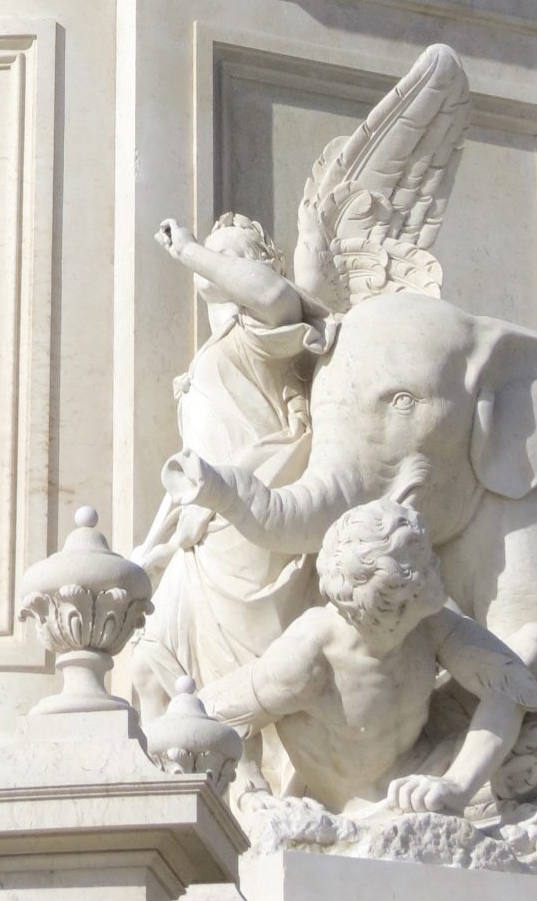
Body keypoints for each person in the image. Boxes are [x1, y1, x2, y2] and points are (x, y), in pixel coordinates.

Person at [198, 487, 537, 849]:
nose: (440, 570)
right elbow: (211, 720)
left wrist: (460, 783)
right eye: (427, 569)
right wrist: (250, 793)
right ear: (395, 597)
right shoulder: (306, 660)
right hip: (381, 804)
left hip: (441, 771)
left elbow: (514, 678)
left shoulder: (424, 622)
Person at [131, 210, 330, 775]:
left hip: (251, 520)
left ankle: (249, 790)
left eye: (235, 255)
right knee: (150, 667)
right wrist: (151, 548)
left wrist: (192, 250)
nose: (220, 263)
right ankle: (162, 804)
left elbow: (274, 296)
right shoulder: (215, 348)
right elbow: (189, 464)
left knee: (237, 690)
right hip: (201, 533)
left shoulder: (264, 330)